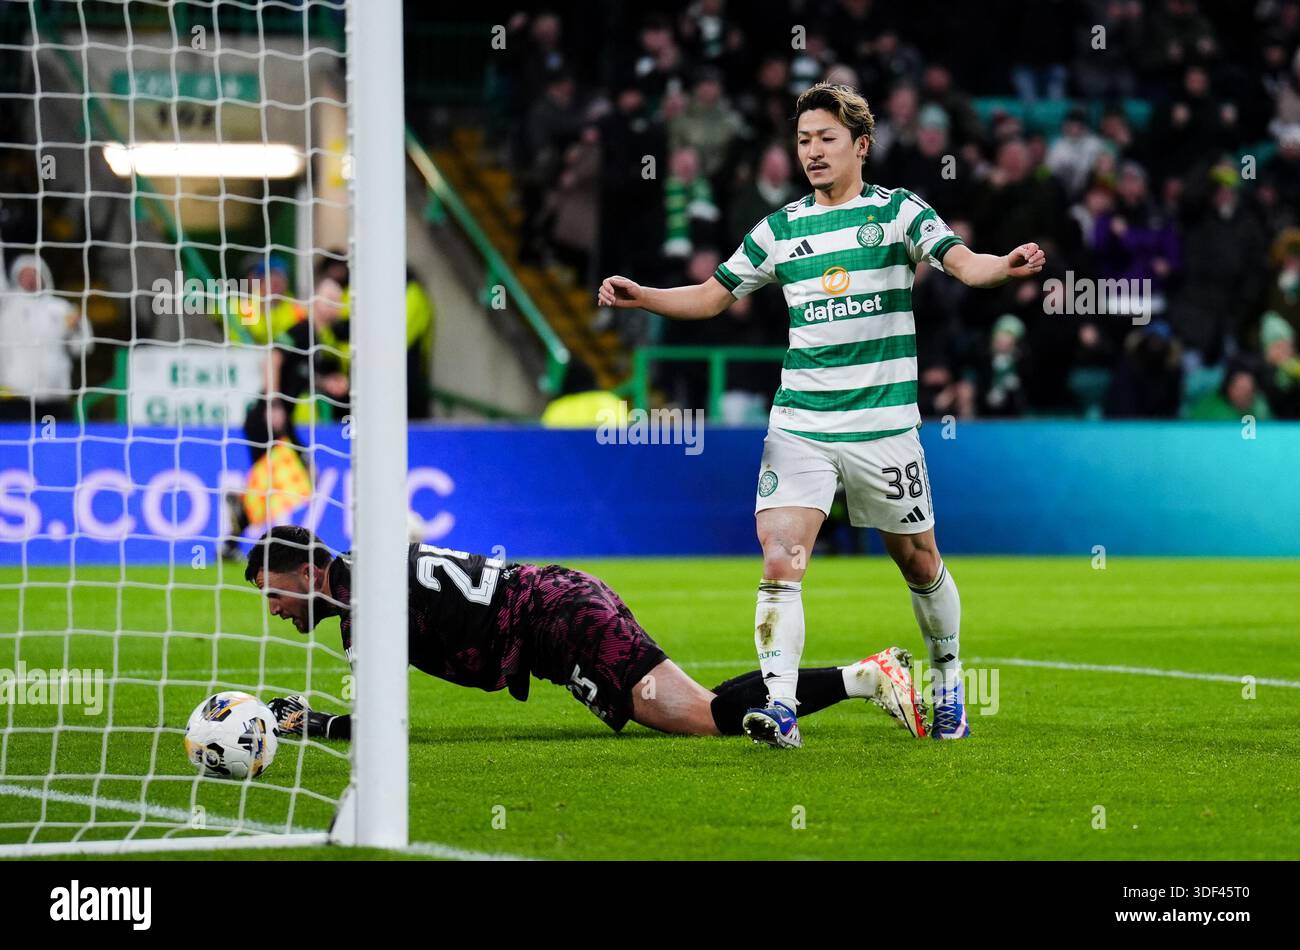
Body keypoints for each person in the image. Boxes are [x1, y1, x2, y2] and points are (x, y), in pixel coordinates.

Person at [598, 82, 1046, 745]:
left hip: (884, 427)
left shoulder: (898, 214)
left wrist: (1001, 267)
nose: (812, 151)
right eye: (803, 139)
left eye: (826, 138)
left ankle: (948, 685)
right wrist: (645, 297)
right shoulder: (780, 229)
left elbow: (963, 264)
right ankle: (780, 707)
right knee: (781, 558)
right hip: (802, 425)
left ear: (860, 145)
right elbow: (712, 295)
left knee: (919, 560)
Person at [245, 526, 926, 742]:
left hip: (560, 619)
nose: (274, 609)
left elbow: (383, 726)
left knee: (704, 719)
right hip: (557, 612)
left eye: (273, 591)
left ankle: (866, 678)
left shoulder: (364, 599)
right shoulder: (366, 578)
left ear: (305, 570)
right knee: (706, 711)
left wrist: (311, 724)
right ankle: (863, 678)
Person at [0, 254, 93, 422]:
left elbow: (82, 348)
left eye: (34, 273)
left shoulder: (61, 308)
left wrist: (78, 327)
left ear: (44, 274)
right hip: (16, 398)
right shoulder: (7, 306)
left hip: (55, 398)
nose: (30, 279)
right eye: (25, 274)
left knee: (56, 447)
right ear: (16, 276)